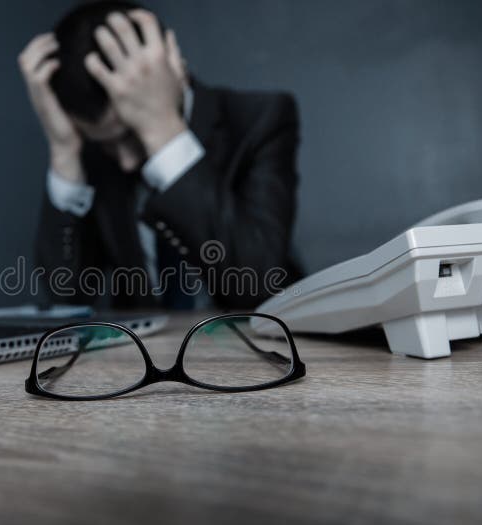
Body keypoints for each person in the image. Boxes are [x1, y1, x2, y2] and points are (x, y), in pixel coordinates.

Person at [18, 0, 300, 309]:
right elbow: (65, 298)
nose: (125, 162)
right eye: (106, 144)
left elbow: (256, 286)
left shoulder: (258, 119)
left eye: (131, 135)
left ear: (171, 68)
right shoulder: (90, 147)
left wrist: (164, 132)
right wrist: (64, 152)